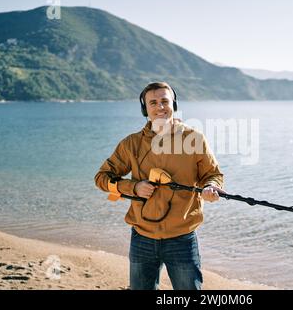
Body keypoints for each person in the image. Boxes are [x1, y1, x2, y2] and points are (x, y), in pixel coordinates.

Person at [94, 82, 224, 290]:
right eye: (153, 103)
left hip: (182, 239)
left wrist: (211, 187)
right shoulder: (131, 143)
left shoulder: (194, 139)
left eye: (165, 101)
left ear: (174, 103)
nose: (160, 107)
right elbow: (102, 178)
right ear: (145, 109)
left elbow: (212, 174)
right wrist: (133, 187)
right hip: (142, 238)